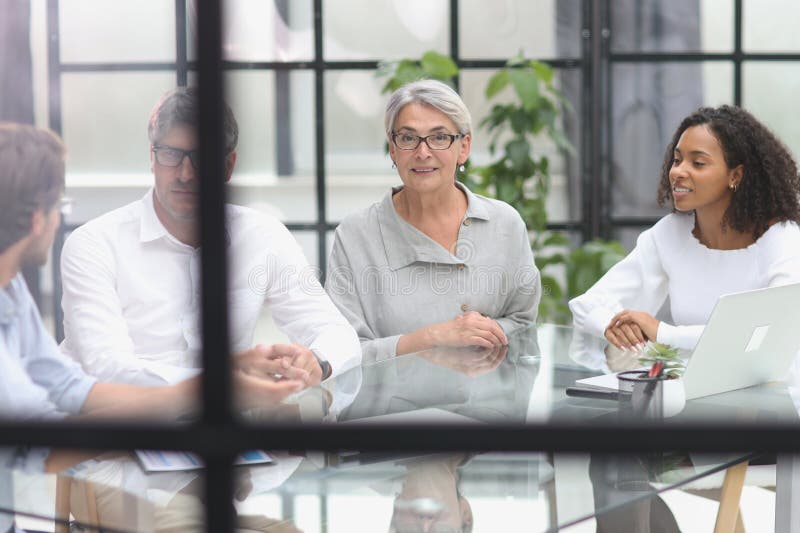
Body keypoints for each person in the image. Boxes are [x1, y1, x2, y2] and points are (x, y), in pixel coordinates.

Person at [0, 122, 305, 532]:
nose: (59, 220)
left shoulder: (12, 291)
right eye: (60, 207)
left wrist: (217, 381)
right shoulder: (93, 245)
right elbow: (43, 448)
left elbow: (72, 388)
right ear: (39, 219)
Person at [60, 86, 361, 388]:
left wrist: (317, 362)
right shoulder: (94, 244)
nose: (186, 174)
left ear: (228, 166)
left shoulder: (263, 235)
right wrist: (230, 380)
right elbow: (107, 368)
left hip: (225, 413)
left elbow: (338, 334)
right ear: (152, 158)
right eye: (171, 155)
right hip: (118, 414)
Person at [326, 79, 540, 363]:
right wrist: (433, 338)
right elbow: (342, 352)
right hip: (389, 394)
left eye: (439, 138)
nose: (423, 152)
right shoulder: (355, 235)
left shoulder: (505, 223)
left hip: (488, 390)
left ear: (464, 147)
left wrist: (478, 335)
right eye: (408, 138)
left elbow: (524, 326)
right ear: (392, 148)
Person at [569, 105, 800, 354]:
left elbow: (771, 331)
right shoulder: (670, 234)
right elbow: (588, 304)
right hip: (691, 378)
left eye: (698, 163)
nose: (678, 171)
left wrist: (662, 332)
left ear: (735, 175)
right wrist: (613, 325)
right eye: (677, 160)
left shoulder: (781, 239)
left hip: (771, 379)